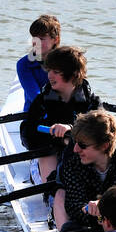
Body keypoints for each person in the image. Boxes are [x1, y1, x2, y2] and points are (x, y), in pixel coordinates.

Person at [21, 45, 101, 183]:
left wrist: (70, 129)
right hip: (47, 156)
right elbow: (27, 134)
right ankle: (52, 195)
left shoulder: (92, 102)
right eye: (49, 70)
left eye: (56, 71)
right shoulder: (42, 100)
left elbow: (101, 134)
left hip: (78, 156)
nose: (49, 76)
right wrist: (55, 135)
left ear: (74, 74)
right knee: (48, 153)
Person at [16, 14, 62, 106]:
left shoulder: (67, 61)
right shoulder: (24, 64)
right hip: (36, 112)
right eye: (34, 37)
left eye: (41, 38)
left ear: (55, 40)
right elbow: (35, 97)